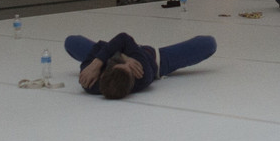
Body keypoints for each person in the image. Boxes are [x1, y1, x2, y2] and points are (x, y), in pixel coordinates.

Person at [64, 31, 218, 100]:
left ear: (105, 71)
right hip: (155, 58)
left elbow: (102, 45)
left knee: (71, 41)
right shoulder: (142, 73)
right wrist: (124, 56)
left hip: (110, 55)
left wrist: (97, 62)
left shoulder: (90, 81)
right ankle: (111, 54)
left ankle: (108, 56)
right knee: (208, 43)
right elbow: (123, 38)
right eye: (128, 65)